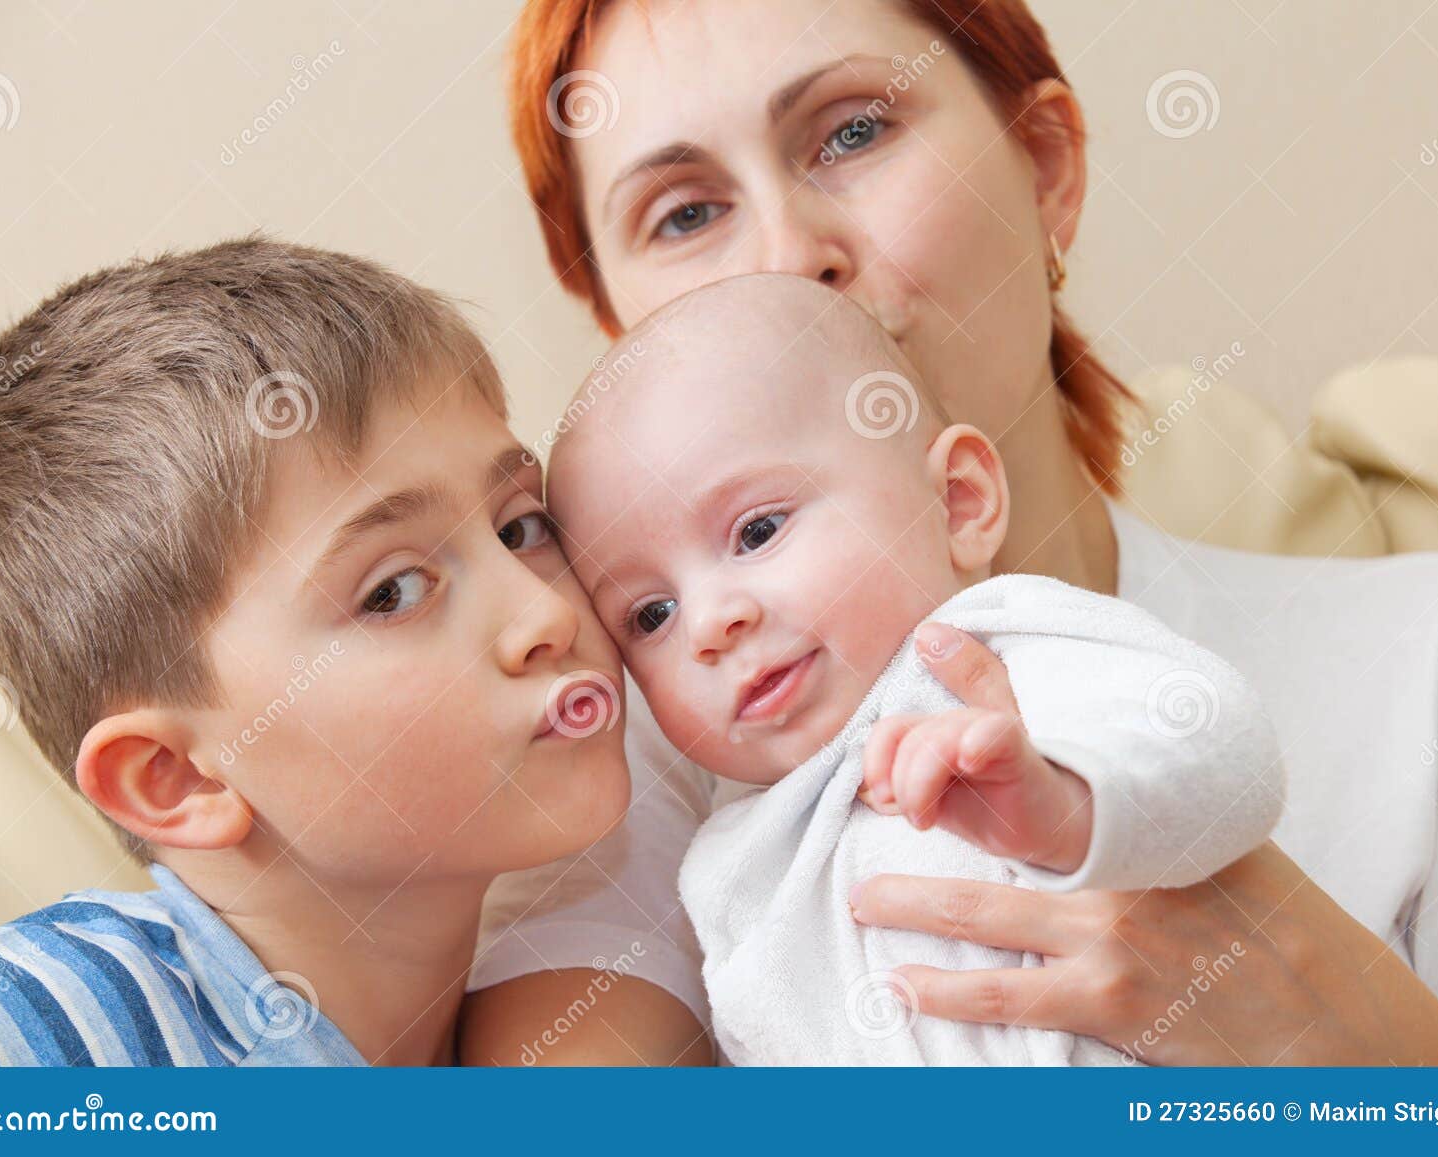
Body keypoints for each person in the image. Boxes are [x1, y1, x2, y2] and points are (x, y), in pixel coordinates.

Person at [462, 0, 1438, 1066]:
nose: (789, 256)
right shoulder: (616, 772)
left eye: (853, 131)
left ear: (1046, 166)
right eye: (686, 214)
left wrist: (1385, 1057)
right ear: (618, 330)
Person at [545, 273, 1284, 1064]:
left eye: (757, 531)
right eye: (651, 614)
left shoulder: (1006, 649)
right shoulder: (731, 870)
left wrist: (1066, 808)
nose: (708, 624)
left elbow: (1231, 752)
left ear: (958, 501)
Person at [0, 237, 632, 1065]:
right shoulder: (46, 1013)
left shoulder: (593, 984)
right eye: (392, 592)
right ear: (176, 776)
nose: (546, 612)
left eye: (519, 527)